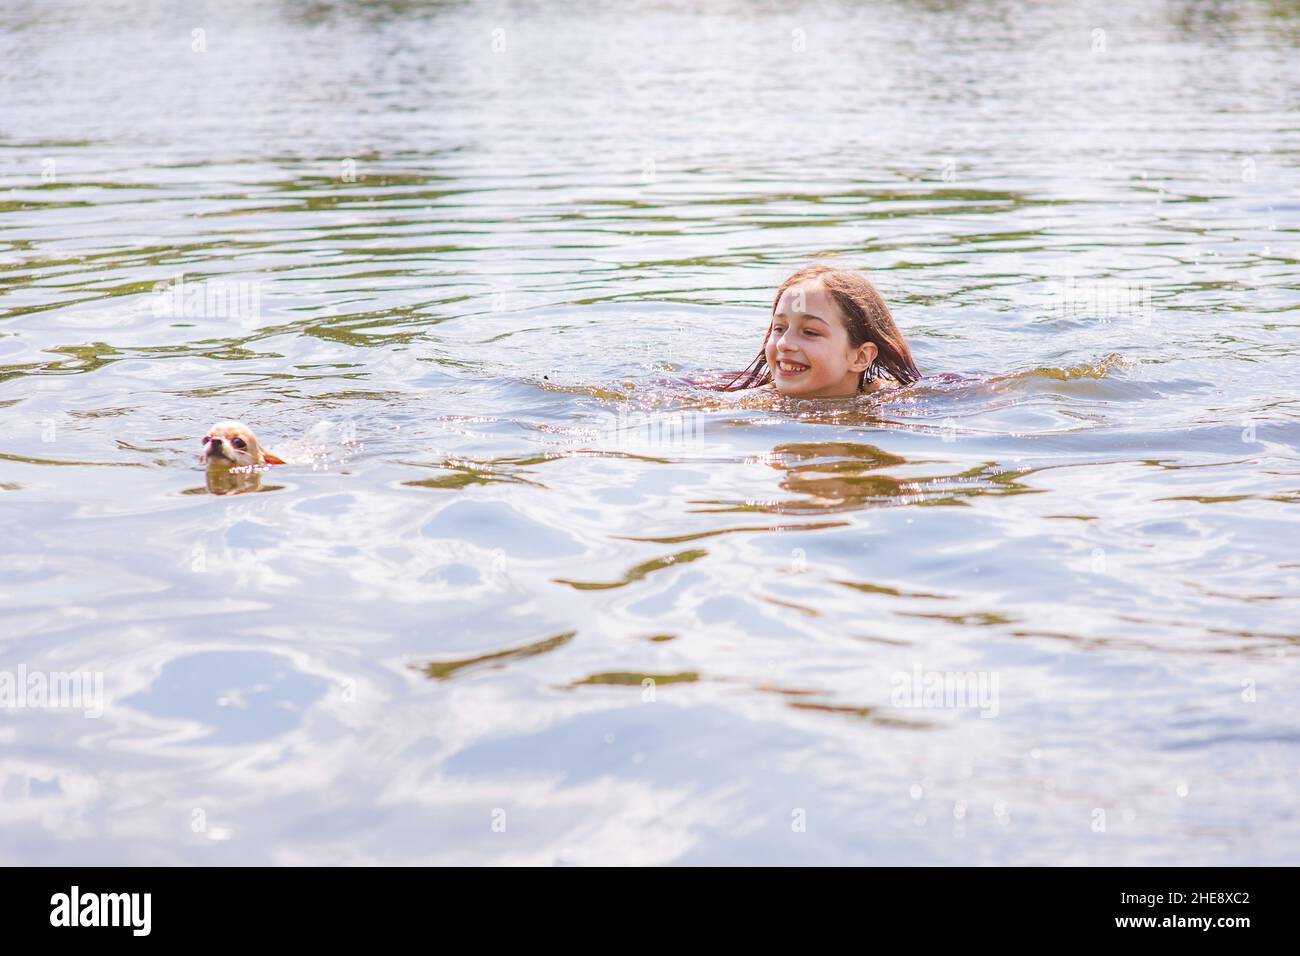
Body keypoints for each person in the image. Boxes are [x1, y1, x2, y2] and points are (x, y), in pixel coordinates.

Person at [719, 263, 920, 398]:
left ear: (860, 357)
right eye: (779, 328)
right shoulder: (748, 404)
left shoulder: (895, 404)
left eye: (810, 332)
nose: (784, 343)